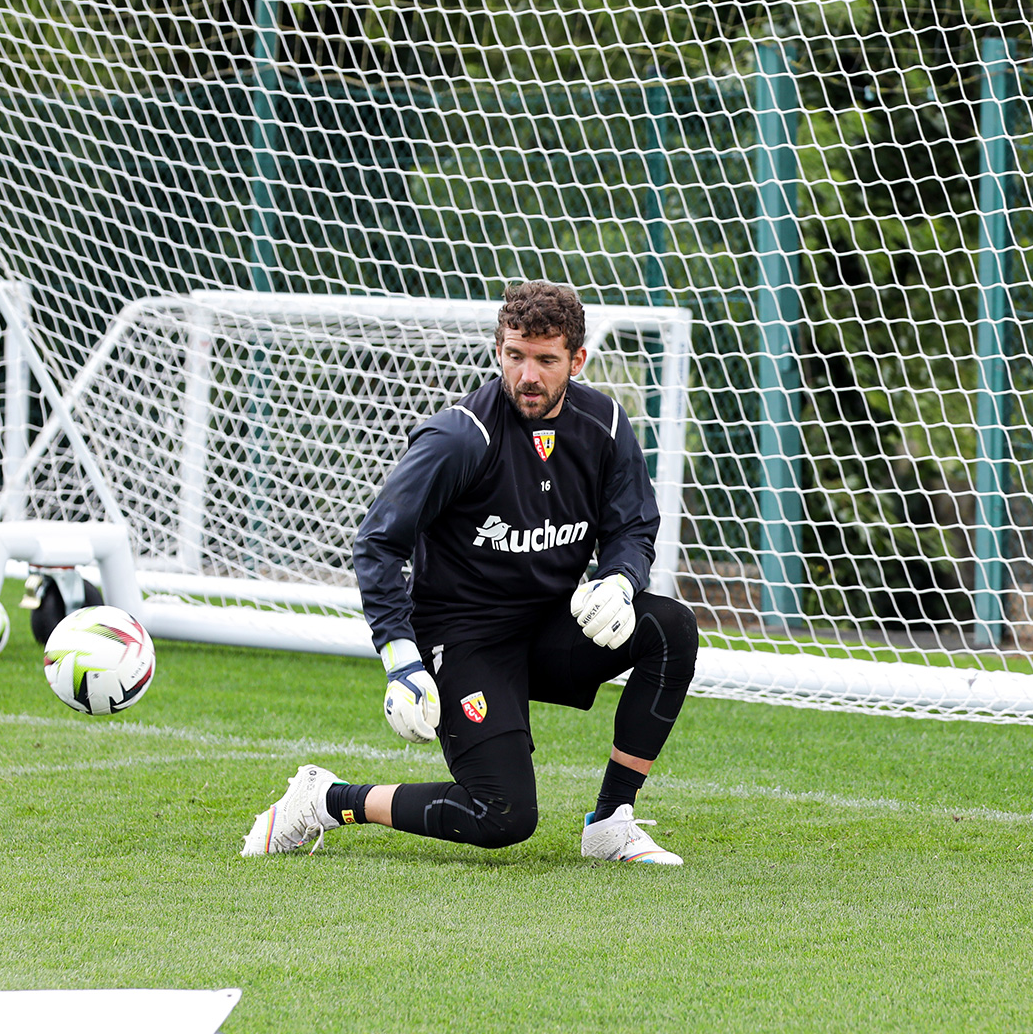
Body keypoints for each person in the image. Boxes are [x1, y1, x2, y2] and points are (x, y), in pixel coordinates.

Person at [240, 280, 699, 864]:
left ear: (577, 360)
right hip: (464, 640)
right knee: (502, 814)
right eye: (514, 356)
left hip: (550, 627)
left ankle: (611, 822)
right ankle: (325, 799)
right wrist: (400, 659)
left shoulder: (604, 423)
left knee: (672, 629)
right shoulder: (459, 437)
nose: (527, 375)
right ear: (498, 350)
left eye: (545, 360)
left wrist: (620, 579)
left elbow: (633, 527)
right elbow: (378, 544)